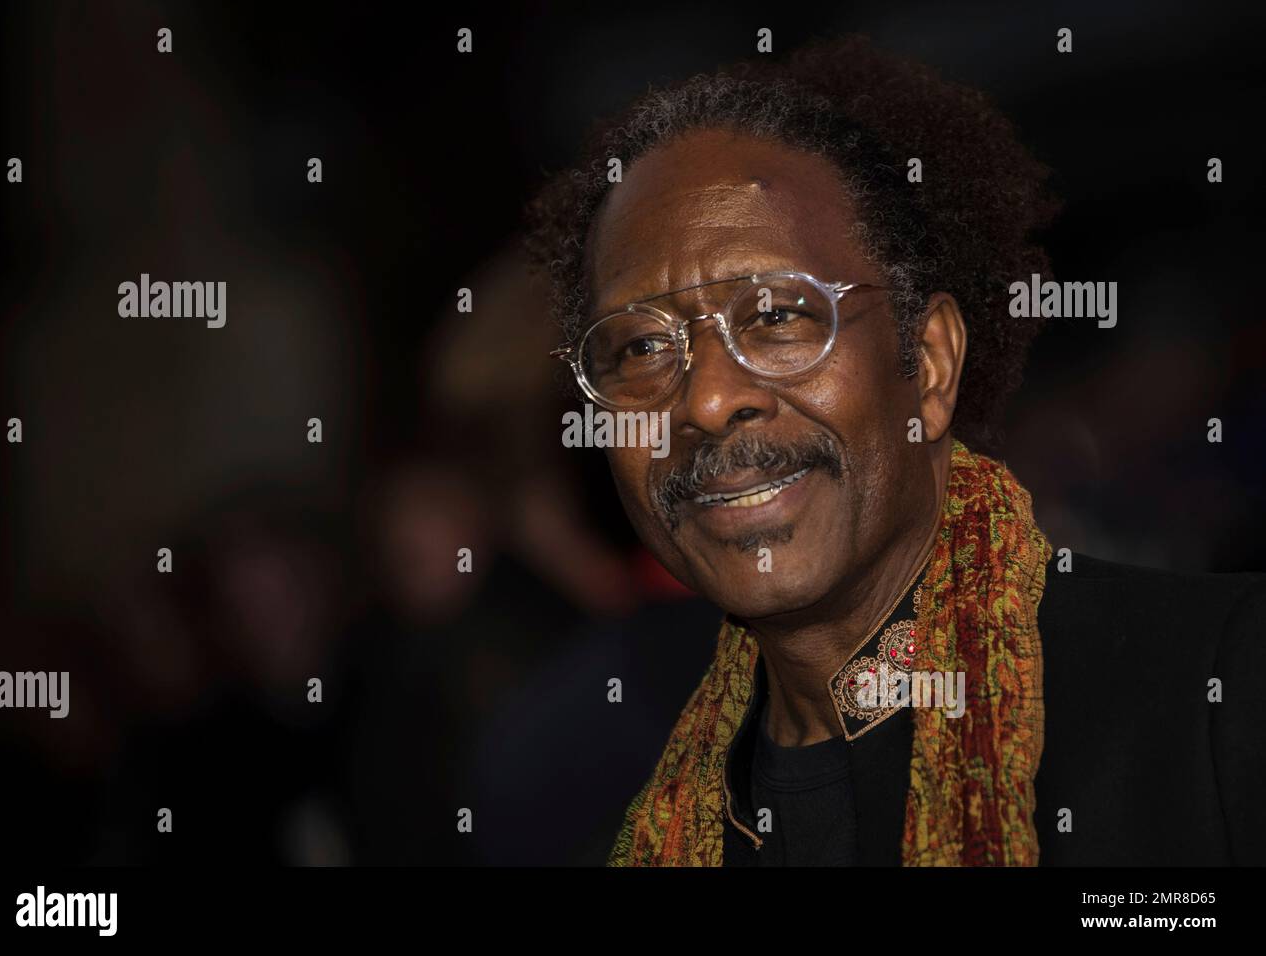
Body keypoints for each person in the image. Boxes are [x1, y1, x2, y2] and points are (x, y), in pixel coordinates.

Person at [524, 34, 1265, 866]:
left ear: (933, 362)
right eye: (639, 350)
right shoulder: (634, 838)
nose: (705, 398)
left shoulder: (1220, 693)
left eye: (776, 317)